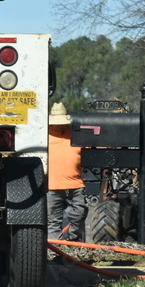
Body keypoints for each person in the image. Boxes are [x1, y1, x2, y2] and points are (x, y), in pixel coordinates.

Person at [47, 102, 86, 241]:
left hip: (76, 185)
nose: (59, 125)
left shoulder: (76, 135)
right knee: (53, 221)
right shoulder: (45, 136)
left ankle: (72, 244)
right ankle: (56, 251)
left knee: (80, 214)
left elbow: (95, 147)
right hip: (52, 186)